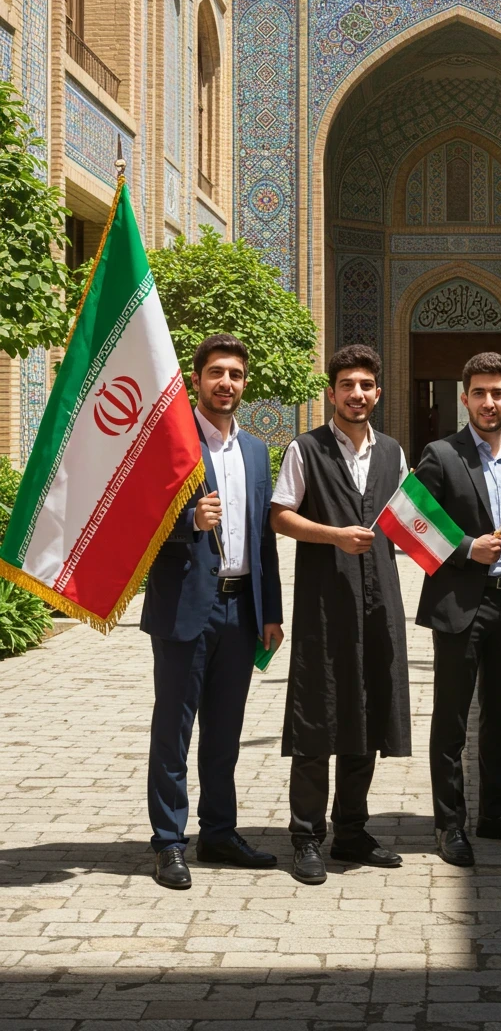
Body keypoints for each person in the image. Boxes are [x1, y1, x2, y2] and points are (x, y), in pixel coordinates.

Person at [142, 334, 283, 890]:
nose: (227, 383)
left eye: (236, 374)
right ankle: (168, 842)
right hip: (186, 608)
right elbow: (140, 522)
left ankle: (219, 833)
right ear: (196, 379)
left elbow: (264, 539)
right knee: (173, 732)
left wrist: (271, 611)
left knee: (225, 732)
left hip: (241, 610)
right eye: (217, 373)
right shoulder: (171, 446)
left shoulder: (256, 451)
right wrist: (188, 522)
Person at [270, 344, 411, 886]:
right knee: (317, 715)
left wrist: (466, 547)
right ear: (331, 393)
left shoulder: (393, 452)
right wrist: (334, 535)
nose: (357, 394)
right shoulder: (305, 449)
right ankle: (306, 835)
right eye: (347, 385)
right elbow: (280, 515)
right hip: (324, 605)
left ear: (378, 392)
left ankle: (351, 830)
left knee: (367, 713)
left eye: (366, 385)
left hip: (379, 604)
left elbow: (409, 521)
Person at [414, 351, 501, 867]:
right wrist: (468, 548)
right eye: (479, 393)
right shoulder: (441, 454)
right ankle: (449, 825)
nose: (488, 402)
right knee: (452, 720)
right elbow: (413, 524)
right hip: (461, 606)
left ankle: (495, 812)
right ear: (464, 397)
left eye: (497, 393)